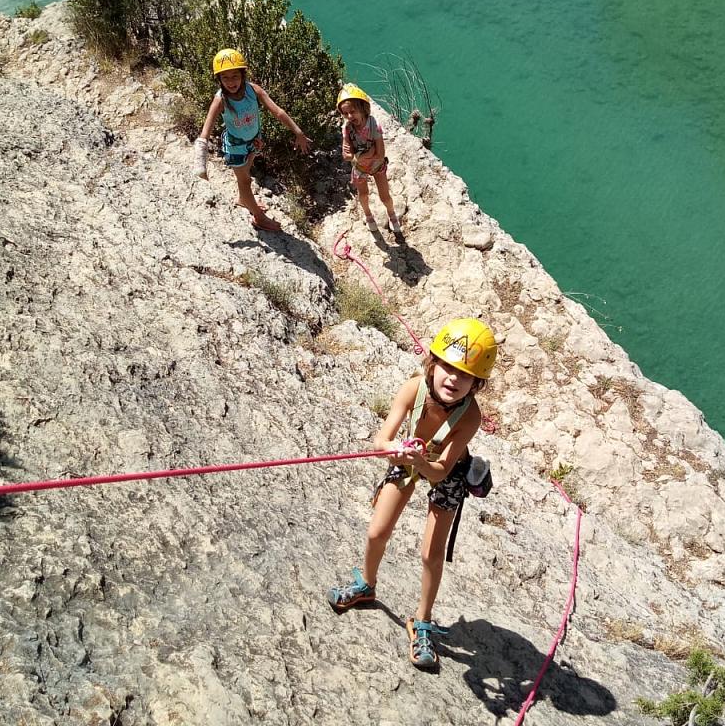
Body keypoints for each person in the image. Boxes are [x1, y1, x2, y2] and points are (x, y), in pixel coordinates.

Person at [328, 317, 498, 670]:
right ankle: (366, 584)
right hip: (409, 455)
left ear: (476, 383)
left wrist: (417, 458)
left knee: (430, 555)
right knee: (377, 531)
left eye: (464, 375)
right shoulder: (413, 389)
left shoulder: (470, 417)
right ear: (433, 365)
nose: (453, 378)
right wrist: (395, 450)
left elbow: (442, 469)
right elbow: (381, 440)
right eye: (448, 368)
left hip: (443, 471)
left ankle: (422, 620)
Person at [193, 49, 312, 231]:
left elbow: (277, 111)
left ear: (243, 74)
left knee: (247, 171)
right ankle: (259, 217)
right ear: (219, 79)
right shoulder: (221, 100)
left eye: (235, 76)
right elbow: (205, 133)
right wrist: (201, 164)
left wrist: (298, 132)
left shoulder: (253, 90)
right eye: (225, 77)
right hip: (236, 147)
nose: (231, 82)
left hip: (254, 141)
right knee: (245, 180)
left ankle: (243, 200)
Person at [337, 84, 401, 235]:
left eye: (352, 112)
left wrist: (356, 156)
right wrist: (359, 156)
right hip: (360, 168)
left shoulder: (374, 125)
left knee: (385, 196)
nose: (350, 117)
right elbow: (346, 155)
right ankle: (368, 215)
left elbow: (380, 153)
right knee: (363, 194)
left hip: (377, 165)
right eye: (346, 114)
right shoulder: (347, 129)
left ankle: (392, 215)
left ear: (362, 108)